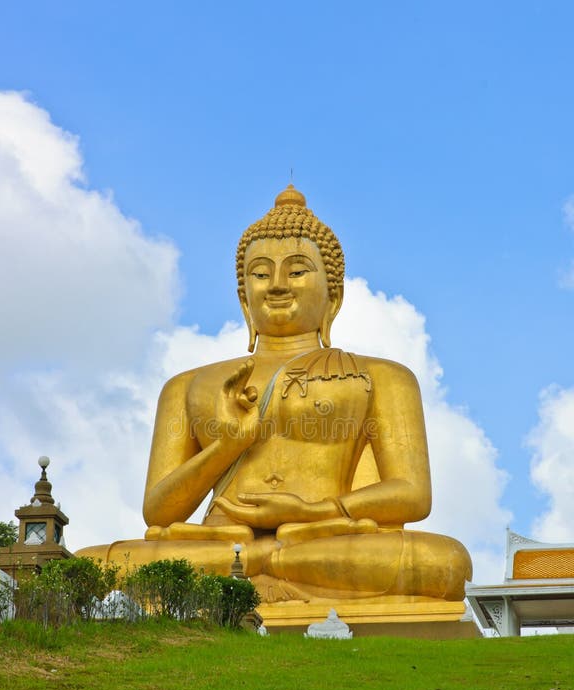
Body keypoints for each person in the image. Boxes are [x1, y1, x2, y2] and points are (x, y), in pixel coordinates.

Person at [78, 185, 471, 603]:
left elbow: (412, 494)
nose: (277, 286)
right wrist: (228, 445)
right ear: (244, 299)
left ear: (333, 296)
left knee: (443, 562)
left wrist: (311, 513)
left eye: (298, 271)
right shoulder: (188, 385)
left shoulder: (380, 376)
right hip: (219, 542)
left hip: (321, 539)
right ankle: (257, 560)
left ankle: (258, 563)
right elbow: (159, 513)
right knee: (91, 565)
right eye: (261, 274)